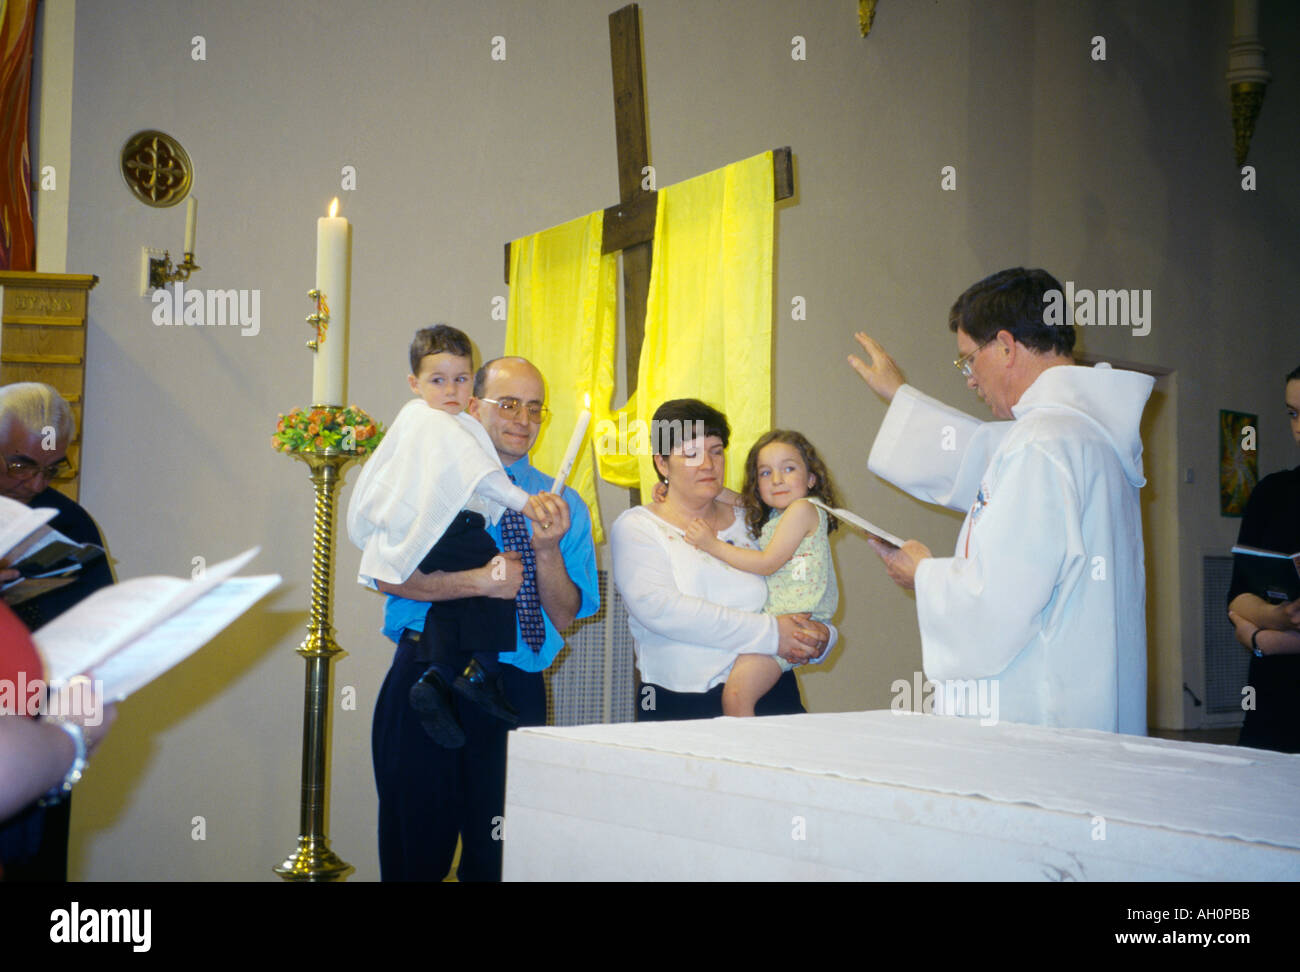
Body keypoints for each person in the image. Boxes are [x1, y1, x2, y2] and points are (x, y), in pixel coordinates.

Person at [850, 267, 1153, 734]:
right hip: (1086, 700)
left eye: (968, 360)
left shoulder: (1041, 442)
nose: (969, 379)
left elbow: (1000, 599)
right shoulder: (1085, 434)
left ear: (1007, 347)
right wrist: (899, 396)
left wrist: (924, 574)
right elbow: (982, 458)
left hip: (1041, 713)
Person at [368, 355, 599, 882]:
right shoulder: (426, 480)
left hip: (513, 687)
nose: (524, 419)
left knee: (501, 855)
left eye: (536, 409)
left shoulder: (563, 504)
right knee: (414, 852)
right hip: (429, 673)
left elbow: (564, 616)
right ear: (473, 405)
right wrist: (479, 581)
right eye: (509, 404)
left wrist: (547, 551)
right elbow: (386, 575)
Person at [348, 327, 551, 747]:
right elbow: (484, 478)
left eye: (460, 379)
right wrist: (524, 503)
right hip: (446, 529)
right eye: (437, 380)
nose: (451, 390)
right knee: (499, 575)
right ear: (414, 384)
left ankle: (441, 678)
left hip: (498, 654)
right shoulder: (434, 422)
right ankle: (479, 672)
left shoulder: (444, 422)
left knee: (467, 598)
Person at [609, 400, 834, 721]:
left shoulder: (756, 518)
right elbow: (663, 610)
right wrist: (773, 634)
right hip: (678, 701)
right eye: (691, 454)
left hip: (769, 690)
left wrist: (822, 636)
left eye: (716, 451)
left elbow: (802, 579)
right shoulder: (638, 527)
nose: (708, 464)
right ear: (662, 463)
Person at [0, 382, 114, 881]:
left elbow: (99, 632)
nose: (35, 485)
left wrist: (75, 744)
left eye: (53, 469)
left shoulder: (70, 522)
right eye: (20, 464)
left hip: (41, 730)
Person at [683, 429, 841, 716]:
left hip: (794, 623)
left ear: (811, 479)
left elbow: (768, 562)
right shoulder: (778, 514)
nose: (777, 480)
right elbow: (734, 499)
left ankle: (747, 758)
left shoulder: (802, 509)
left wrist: (711, 545)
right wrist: (675, 486)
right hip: (787, 621)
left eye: (788, 469)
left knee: (736, 696)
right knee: (737, 695)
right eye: (766, 473)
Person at [1225, 363, 1300, 753]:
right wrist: (1272, 622)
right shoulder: (1272, 493)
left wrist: (1267, 638)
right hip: (1272, 702)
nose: (1299, 427)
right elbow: (1237, 598)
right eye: (1293, 413)